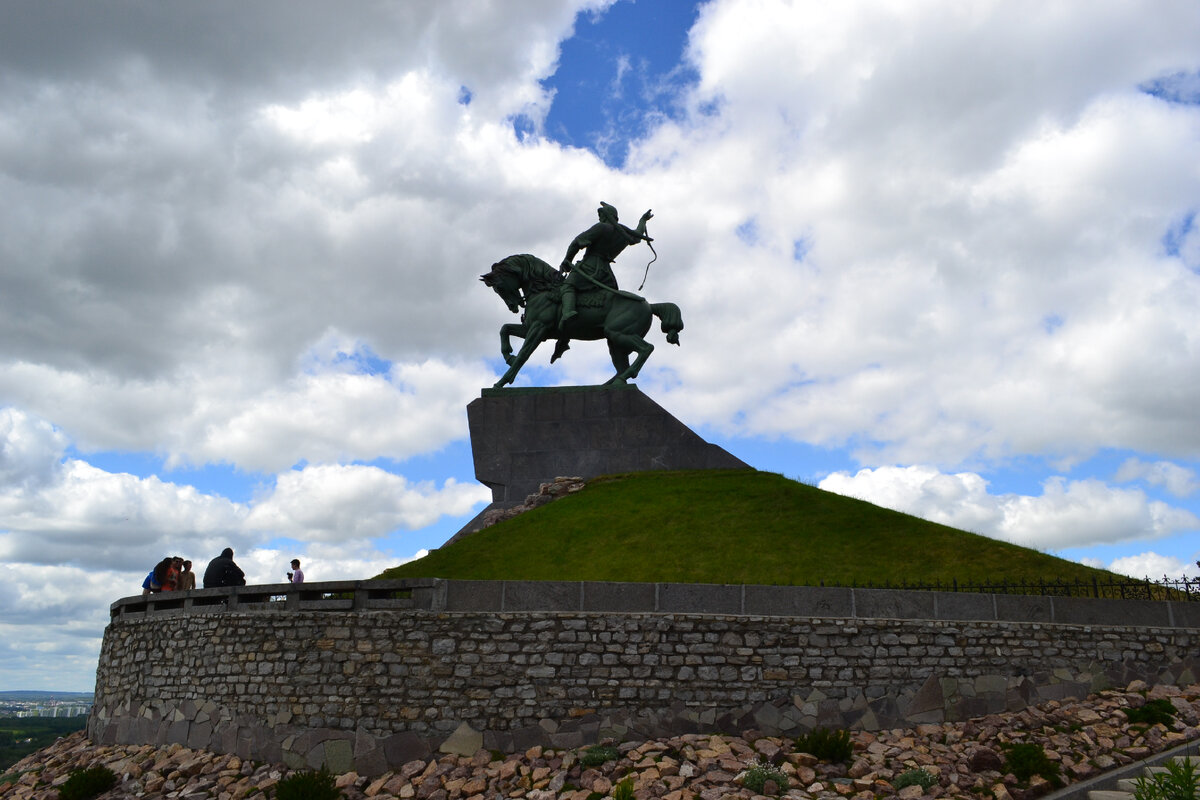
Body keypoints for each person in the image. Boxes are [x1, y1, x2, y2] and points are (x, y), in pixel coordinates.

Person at [558, 201, 653, 326]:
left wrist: (567, 260)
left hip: (589, 267)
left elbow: (577, 243)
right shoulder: (623, 233)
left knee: (567, 286)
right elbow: (638, 235)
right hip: (606, 274)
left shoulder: (601, 227)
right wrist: (643, 220)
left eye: (600, 215)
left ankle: (568, 313)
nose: (599, 218)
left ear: (605, 216)